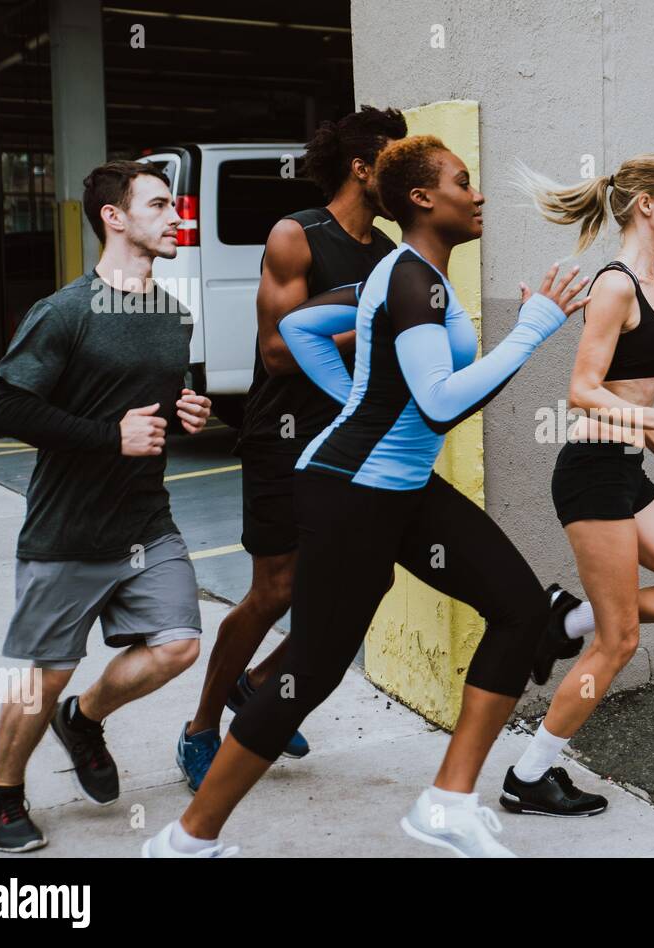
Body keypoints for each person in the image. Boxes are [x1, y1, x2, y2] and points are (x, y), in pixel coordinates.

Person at [144, 134, 601, 859]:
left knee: (519, 609)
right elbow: (440, 402)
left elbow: (301, 325)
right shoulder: (413, 280)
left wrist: (354, 397)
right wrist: (533, 332)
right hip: (352, 493)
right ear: (423, 199)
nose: (476, 194)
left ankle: (447, 802)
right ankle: (185, 839)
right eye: (462, 181)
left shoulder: (400, 273)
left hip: (400, 485)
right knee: (311, 670)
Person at [0, 160, 213, 852]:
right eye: (162, 205)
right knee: (47, 672)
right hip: (69, 527)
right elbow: (9, 406)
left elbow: (148, 400)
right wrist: (110, 437)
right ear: (114, 216)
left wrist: (184, 410)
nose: (176, 218)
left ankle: (83, 720)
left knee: (178, 647)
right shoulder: (65, 312)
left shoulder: (172, 315)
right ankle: (3, 796)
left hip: (145, 520)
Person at [499, 155, 654, 817]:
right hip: (590, 475)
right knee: (620, 639)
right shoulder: (616, 285)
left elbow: (623, 389)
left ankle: (565, 618)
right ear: (645, 206)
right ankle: (529, 775)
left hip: (627, 469)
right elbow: (581, 391)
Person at [176, 106, 407, 790]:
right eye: (396, 161)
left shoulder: (391, 254)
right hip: (283, 437)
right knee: (275, 590)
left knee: (368, 579)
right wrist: (373, 320)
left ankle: (258, 685)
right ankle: (200, 726)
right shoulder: (296, 236)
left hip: (349, 442)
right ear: (363, 168)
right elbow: (278, 353)